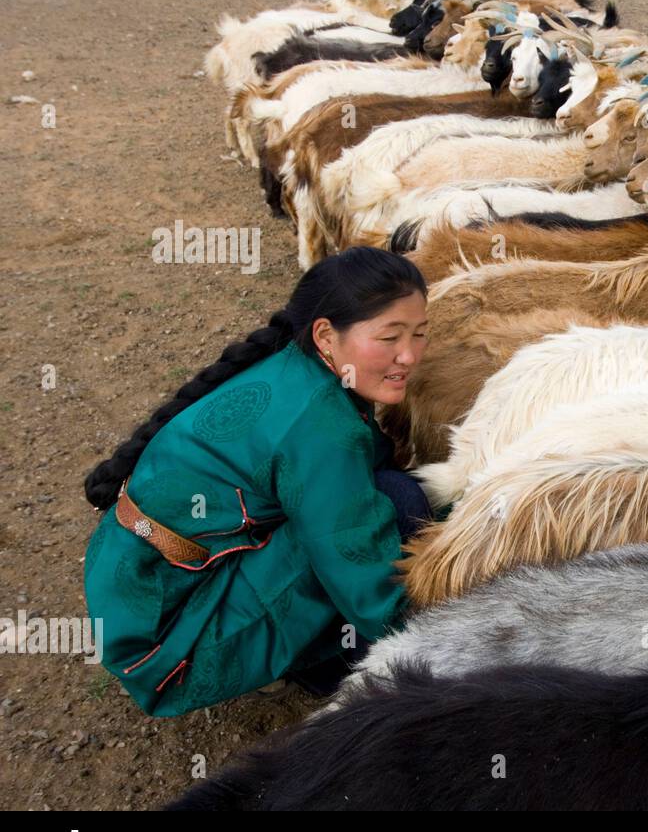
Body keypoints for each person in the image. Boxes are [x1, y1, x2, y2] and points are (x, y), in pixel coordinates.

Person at [82, 248, 434, 716]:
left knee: (381, 494)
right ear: (326, 335)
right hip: (162, 641)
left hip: (140, 584)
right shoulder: (319, 423)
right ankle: (329, 665)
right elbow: (366, 584)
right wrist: (446, 633)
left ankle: (300, 649)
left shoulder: (297, 365)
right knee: (398, 502)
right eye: (389, 337)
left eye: (420, 334)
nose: (408, 356)